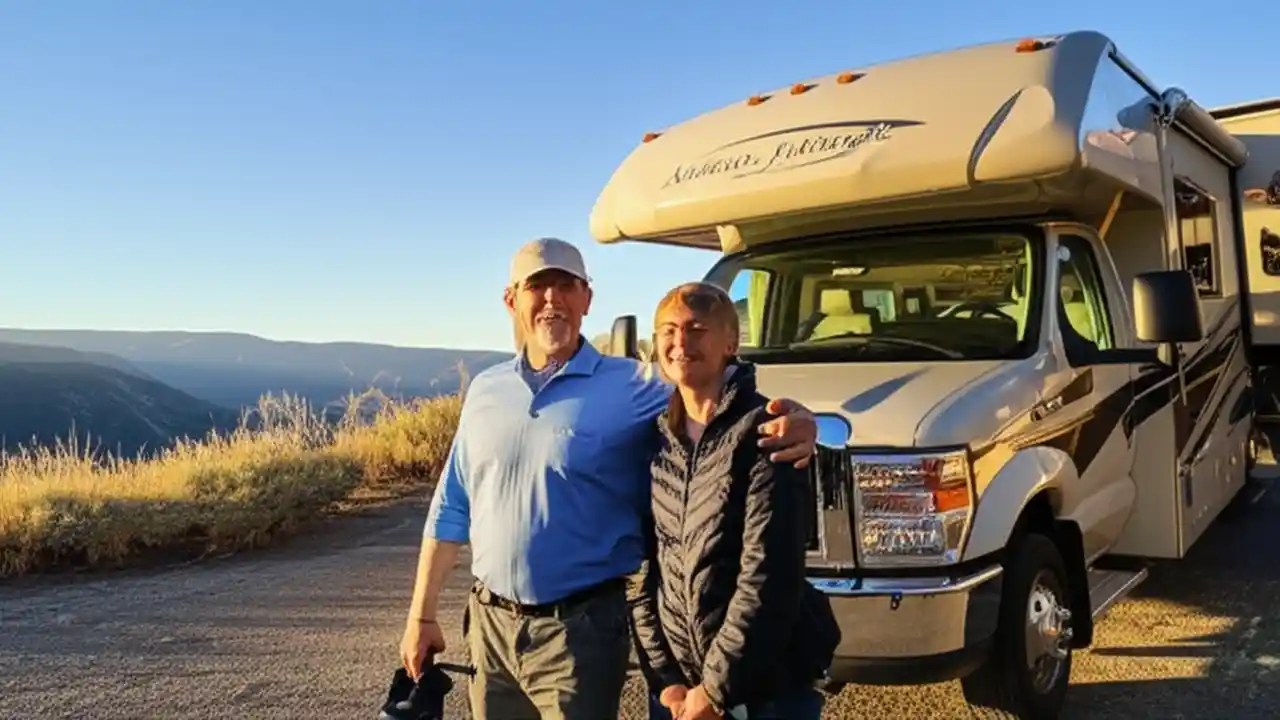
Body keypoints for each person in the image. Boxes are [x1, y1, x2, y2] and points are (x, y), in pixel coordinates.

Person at [398, 237, 820, 719]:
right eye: (538, 286)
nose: (553, 299)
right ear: (512, 299)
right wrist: (422, 615)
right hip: (489, 628)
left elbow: (715, 388)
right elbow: (452, 504)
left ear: (587, 299)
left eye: (566, 285)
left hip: (579, 631)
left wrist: (801, 421)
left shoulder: (636, 384)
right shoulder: (485, 389)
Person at [632, 281, 840, 720]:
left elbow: (769, 575)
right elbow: (642, 567)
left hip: (765, 692)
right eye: (668, 330)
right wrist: (664, 680)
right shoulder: (653, 440)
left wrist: (716, 690)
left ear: (731, 343)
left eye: (696, 328)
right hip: (678, 694)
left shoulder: (767, 433)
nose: (680, 342)